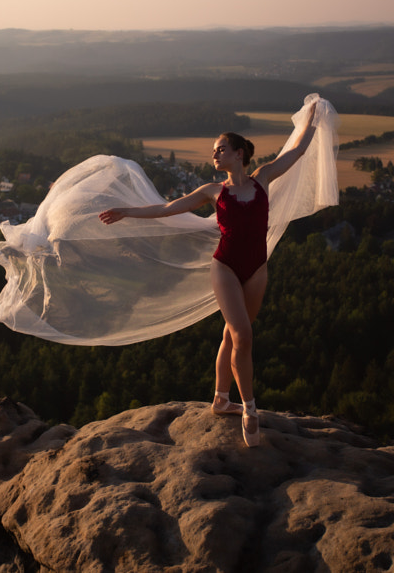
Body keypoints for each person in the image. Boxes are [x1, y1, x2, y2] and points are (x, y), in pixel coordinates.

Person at [99, 99, 321, 447]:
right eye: (214, 151)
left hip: (257, 270)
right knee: (243, 335)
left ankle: (220, 399)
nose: (215, 155)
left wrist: (313, 114)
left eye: (220, 149)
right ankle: (249, 407)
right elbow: (168, 208)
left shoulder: (263, 179)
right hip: (225, 267)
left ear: (238, 154)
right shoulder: (213, 192)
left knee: (233, 337)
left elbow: (299, 148)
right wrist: (126, 211)